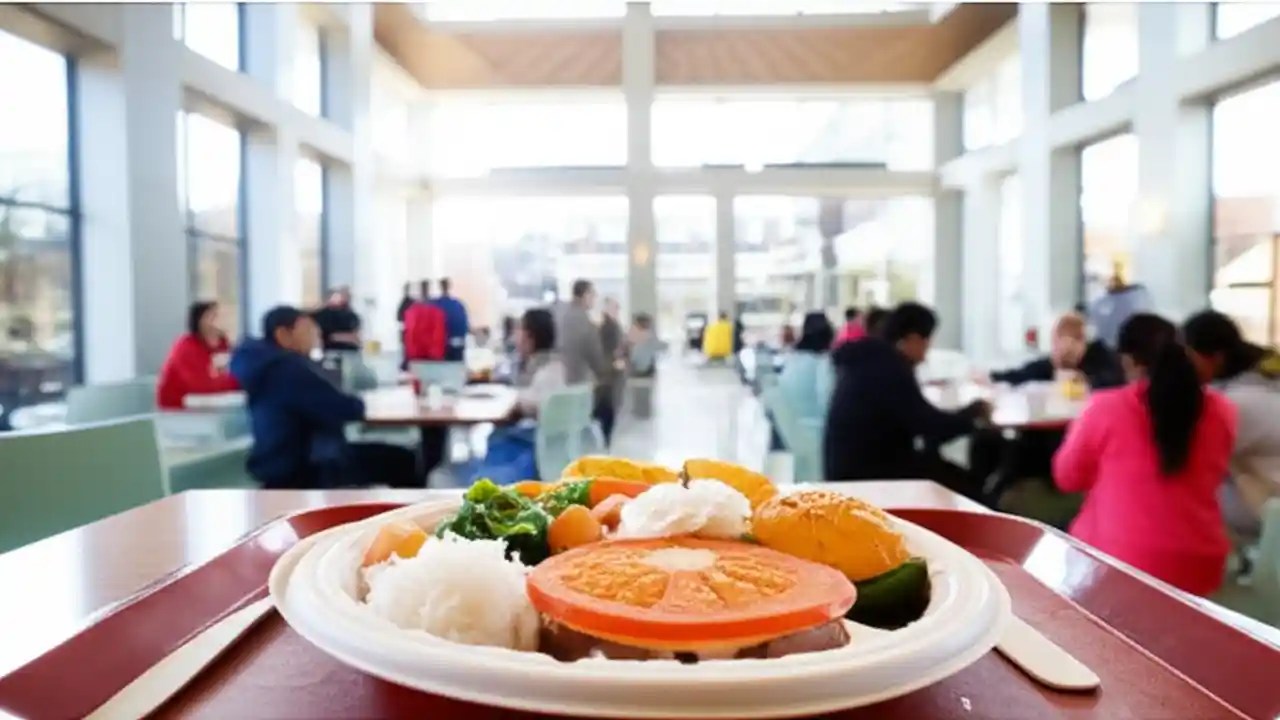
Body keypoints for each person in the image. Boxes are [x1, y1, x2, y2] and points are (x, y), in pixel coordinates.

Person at [1053, 314, 1235, 597]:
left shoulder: (1105, 408)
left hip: (1120, 565)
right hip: (1202, 566)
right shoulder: (1223, 411)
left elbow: (1067, 477)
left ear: (1127, 361)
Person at [229, 306, 419, 490]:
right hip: (309, 464)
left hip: (276, 462)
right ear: (283, 334)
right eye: (308, 330)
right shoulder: (289, 370)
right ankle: (415, 518)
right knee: (403, 460)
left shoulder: (264, 367)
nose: (315, 336)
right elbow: (346, 409)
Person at [824, 302, 990, 497]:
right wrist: (972, 415)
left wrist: (965, 417)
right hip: (872, 476)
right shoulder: (888, 368)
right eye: (927, 342)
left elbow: (921, 422)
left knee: (945, 469)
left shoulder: (872, 361)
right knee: (970, 490)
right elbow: (928, 425)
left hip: (852, 470)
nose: (925, 354)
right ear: (912, 339)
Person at [1184, 309, 1280, 543]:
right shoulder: (1265, 378)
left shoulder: (1236, 402)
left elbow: (1187, 456)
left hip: (1262, 515)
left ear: (1215, 358)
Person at [470, 309, 567, 485]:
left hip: (529, 453)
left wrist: (514, 399)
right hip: (545, 448)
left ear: (530, 337)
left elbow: (532, 403)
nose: (515, 336)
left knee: (496, 437)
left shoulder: (545, 372)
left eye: (519, 330)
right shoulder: (554, 365)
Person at [987, 312, 1123, 390]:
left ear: (1080, 342)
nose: (1056, 352)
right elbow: (1023, 374)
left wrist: (1083, 380)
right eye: (1054, 344)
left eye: (1060, 344)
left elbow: (1115, 380)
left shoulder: (1101, 357)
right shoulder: (1053, 363)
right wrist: (992, 377)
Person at [156, 301, 240, 409]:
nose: (221, 321)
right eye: (213, 316)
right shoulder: (185, 346)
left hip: (204, 402)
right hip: (178, 408)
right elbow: (201, 385)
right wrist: (238, 381)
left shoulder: (222, 344)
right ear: (200, 321)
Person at [560, 279, 614, 445]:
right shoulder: (584, 322)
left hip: (559, 381)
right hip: (579, 384)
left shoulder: (563, 315)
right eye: (593, 295)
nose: (594, 299)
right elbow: (595, 358)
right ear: (584, 295)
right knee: (606, 411)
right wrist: (606, 373)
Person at [777, 312, 835, 421]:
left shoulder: (792, 360)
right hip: (817, 428)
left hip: (790, 426)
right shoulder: (823, 362)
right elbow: (826, 400)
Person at [403, 280, 447, 364]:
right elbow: (439, 334)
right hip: (432, 356)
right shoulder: (437, 312)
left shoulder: (411, 312)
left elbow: (410, 334)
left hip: (416, 356)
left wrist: (410, 355)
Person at [312, 286, 362, 352]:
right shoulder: (323, 315)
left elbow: (356, 337)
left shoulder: (352, 316)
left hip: (350, 352)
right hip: (330, 351)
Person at [433, 277, 470, 362]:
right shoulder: (457, 305)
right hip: (456, 344)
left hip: (443, 346)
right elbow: (465, 326)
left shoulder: (436, 304)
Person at [600, 297, 626, 414]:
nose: (617, 310)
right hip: (610, 365)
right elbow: (613, 347)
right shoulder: (608, 326)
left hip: (611, 365)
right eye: (614, 307)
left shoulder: (613, 324)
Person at [628, 313, 661, 378]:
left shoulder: (647, 334)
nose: (648, 324)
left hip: (644, 368)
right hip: (640, 368)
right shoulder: (642, 334)